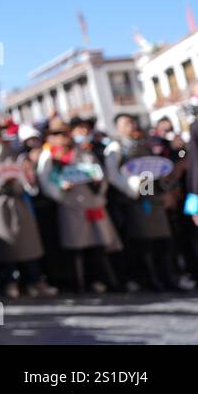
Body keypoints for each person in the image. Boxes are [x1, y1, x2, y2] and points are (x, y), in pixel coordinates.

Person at [36, 120, 121, 293]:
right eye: (56, 135)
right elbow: (46, 182)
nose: (61, 138)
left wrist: (98, 185)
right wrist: (61, 189)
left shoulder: (84, 153)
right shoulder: (50, 158)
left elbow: (99, 174)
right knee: (75, 247)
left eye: (64, 134)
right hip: (70, 204)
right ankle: (78, 283)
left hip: (91, 203)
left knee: (99, 245)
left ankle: (106, 280)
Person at [0, 117, 51, 298]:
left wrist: (26, 176)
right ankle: (9, 282)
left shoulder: (14, 149)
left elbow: (28, 177)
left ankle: (32, 281)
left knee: (27, 244)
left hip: (18, 199)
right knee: (5, 246)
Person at [105, 114, 180, 291]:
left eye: (132, 121)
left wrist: (166, 189)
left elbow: (159, 169)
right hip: (136, 200)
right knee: (145, 243)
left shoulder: (146, 144)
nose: (131, 126)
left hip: (155, 197)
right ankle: (151, 280)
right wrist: (133, 189)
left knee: (163, 241)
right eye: (126, 123)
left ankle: (168, 278)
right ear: (118, 128)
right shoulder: (117, 148)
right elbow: (113, 175)